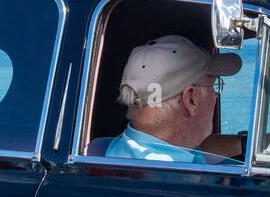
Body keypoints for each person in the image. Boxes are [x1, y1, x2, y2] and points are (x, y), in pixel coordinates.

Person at [104, 35, 243, 164]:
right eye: (213, 86)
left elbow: (197, 149)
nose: (216, 96)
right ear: (191, 98)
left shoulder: (123, 148)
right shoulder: (173, 179)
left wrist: (244, 145)